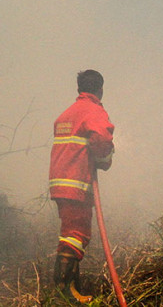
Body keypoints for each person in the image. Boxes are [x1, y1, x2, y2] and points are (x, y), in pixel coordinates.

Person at [48, 69, 114, 304]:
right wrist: (105, 160)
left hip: (60, 183)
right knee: (76, 235)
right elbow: (104, 140)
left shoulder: (67, 113)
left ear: (79, 89)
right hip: (76, 182)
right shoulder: (93, 111)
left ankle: (72, 287)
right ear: (100, 89)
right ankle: (64, 294)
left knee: (71, 234)